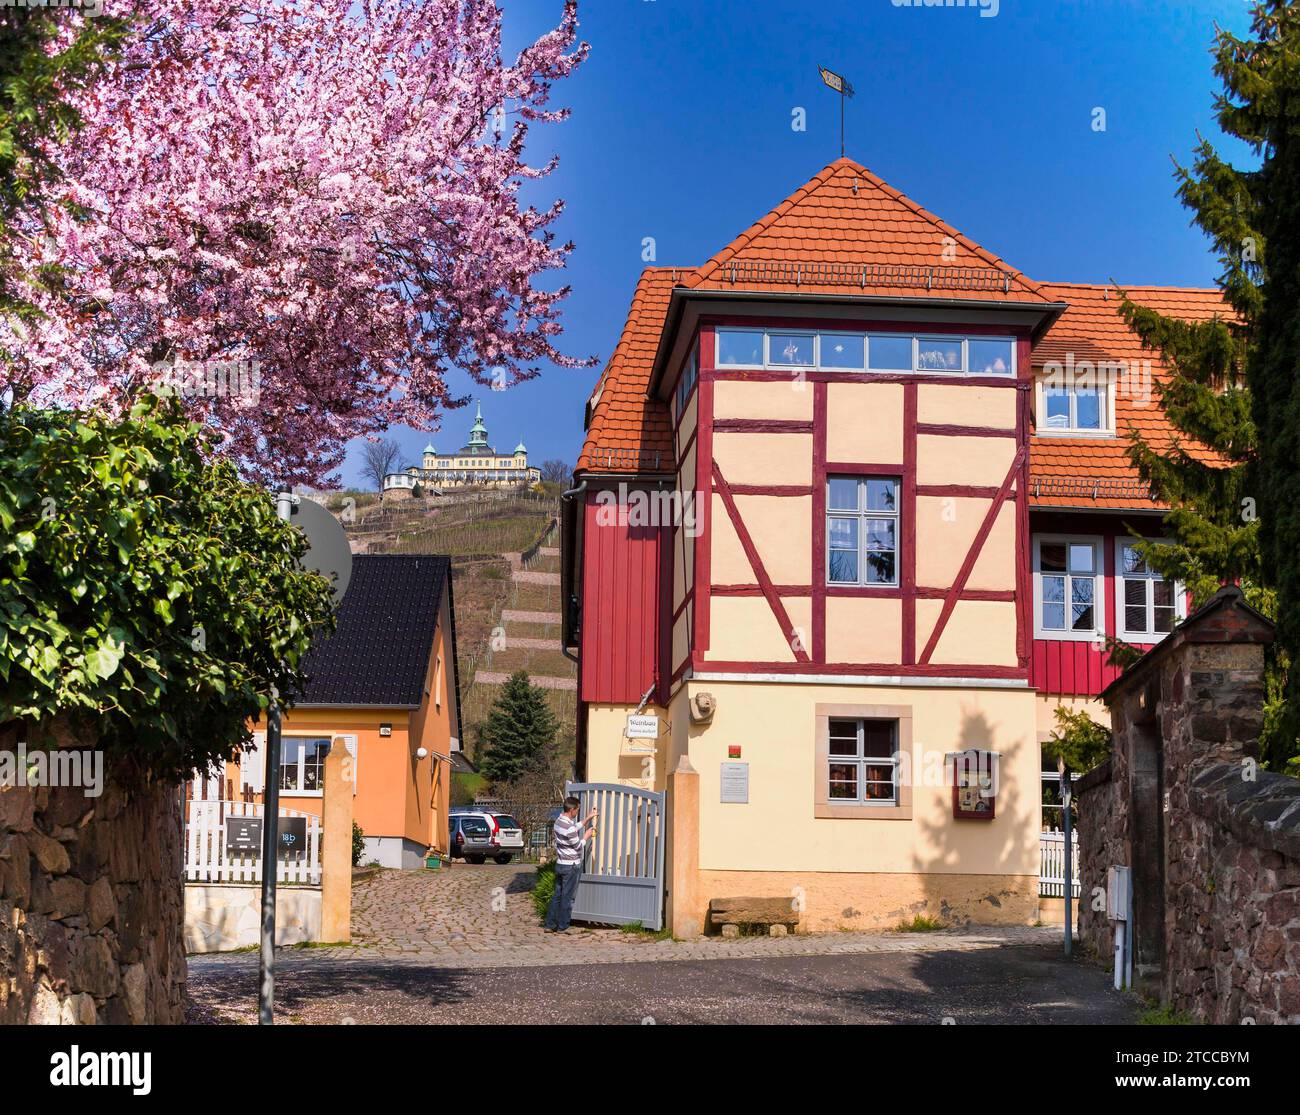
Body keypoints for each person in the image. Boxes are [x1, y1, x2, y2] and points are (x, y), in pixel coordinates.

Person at [544, 796, 597, 933]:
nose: (577, 812)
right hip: (570, 866)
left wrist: (587, 818)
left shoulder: (559, 821)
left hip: (560, 864)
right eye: (577, 810)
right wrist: (586, 836)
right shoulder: (568, 827)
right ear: (572, 809)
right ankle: (563, 926)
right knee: (567, 897)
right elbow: (578, 846)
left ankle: (550, 924)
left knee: (557, 895)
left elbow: (574, 828)